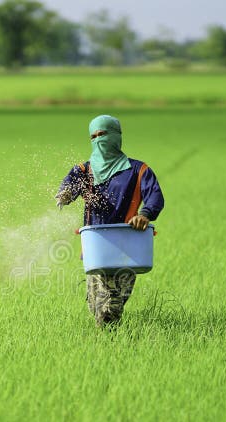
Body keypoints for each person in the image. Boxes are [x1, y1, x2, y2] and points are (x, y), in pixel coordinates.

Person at [55, 114, 165, 328]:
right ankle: (106, 345)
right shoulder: (84, 171)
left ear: (116, 136)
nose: (98, 140)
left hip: (126, 244)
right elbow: (69, 186)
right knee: (96, 305)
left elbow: (154, 196)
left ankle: (111, 343)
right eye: (93, 136)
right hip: (96, 246)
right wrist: (65, 194)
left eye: (103, 134)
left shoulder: (137, 170)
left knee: (111, 306)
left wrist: (144, 215)